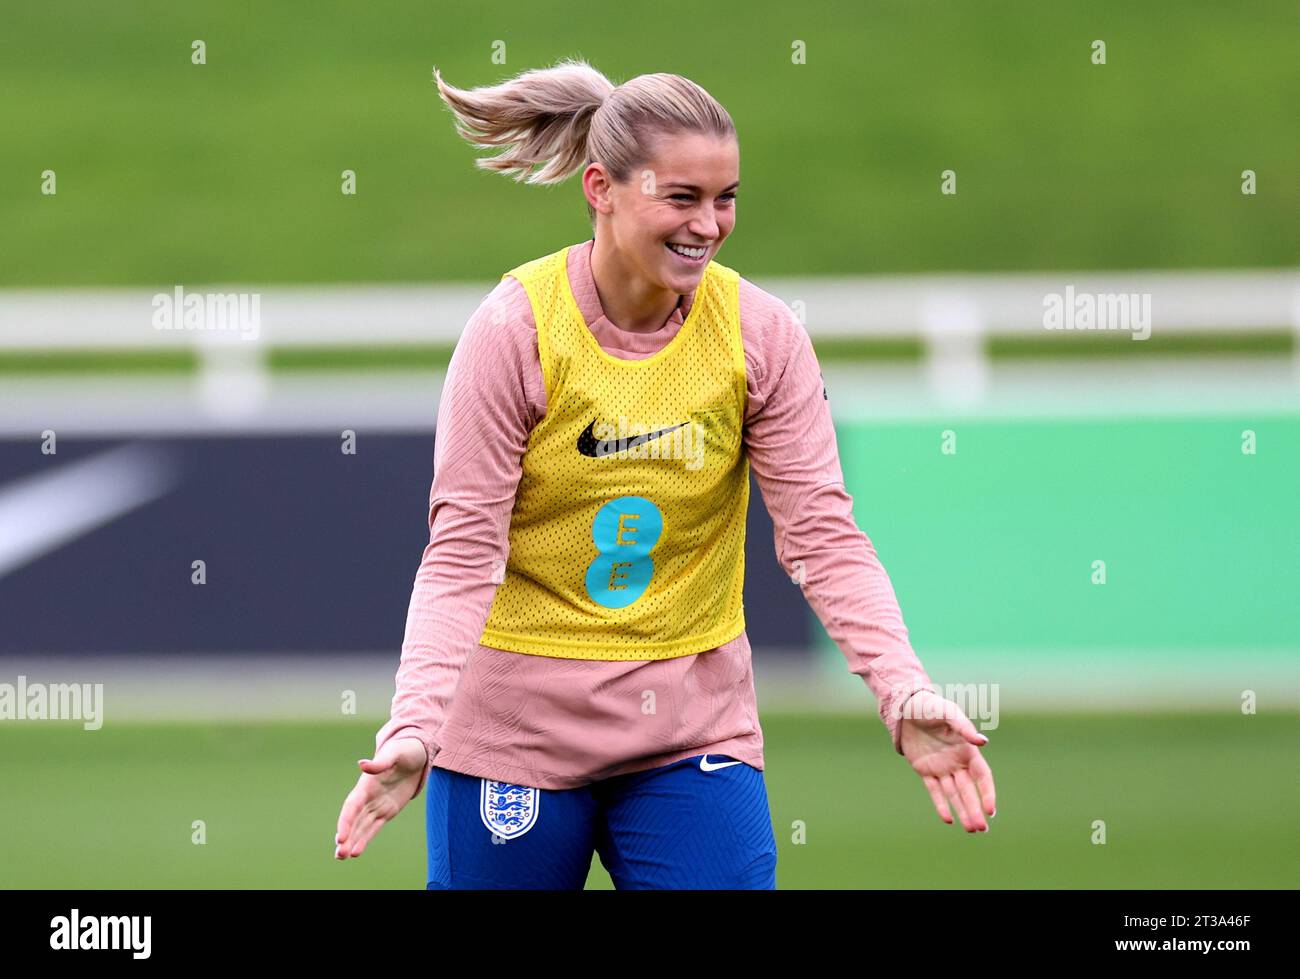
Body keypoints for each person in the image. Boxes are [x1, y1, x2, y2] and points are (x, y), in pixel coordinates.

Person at [334, 58, 996, 889]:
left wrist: (903, 689)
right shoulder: (515, 329)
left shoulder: (761, 335)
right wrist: (415, 725)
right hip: (515, 733)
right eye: (681, 198)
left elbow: (823, 537)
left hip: (692, 736)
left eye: (726, 198)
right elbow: (464, 552)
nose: (709, 225)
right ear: (600, 188)